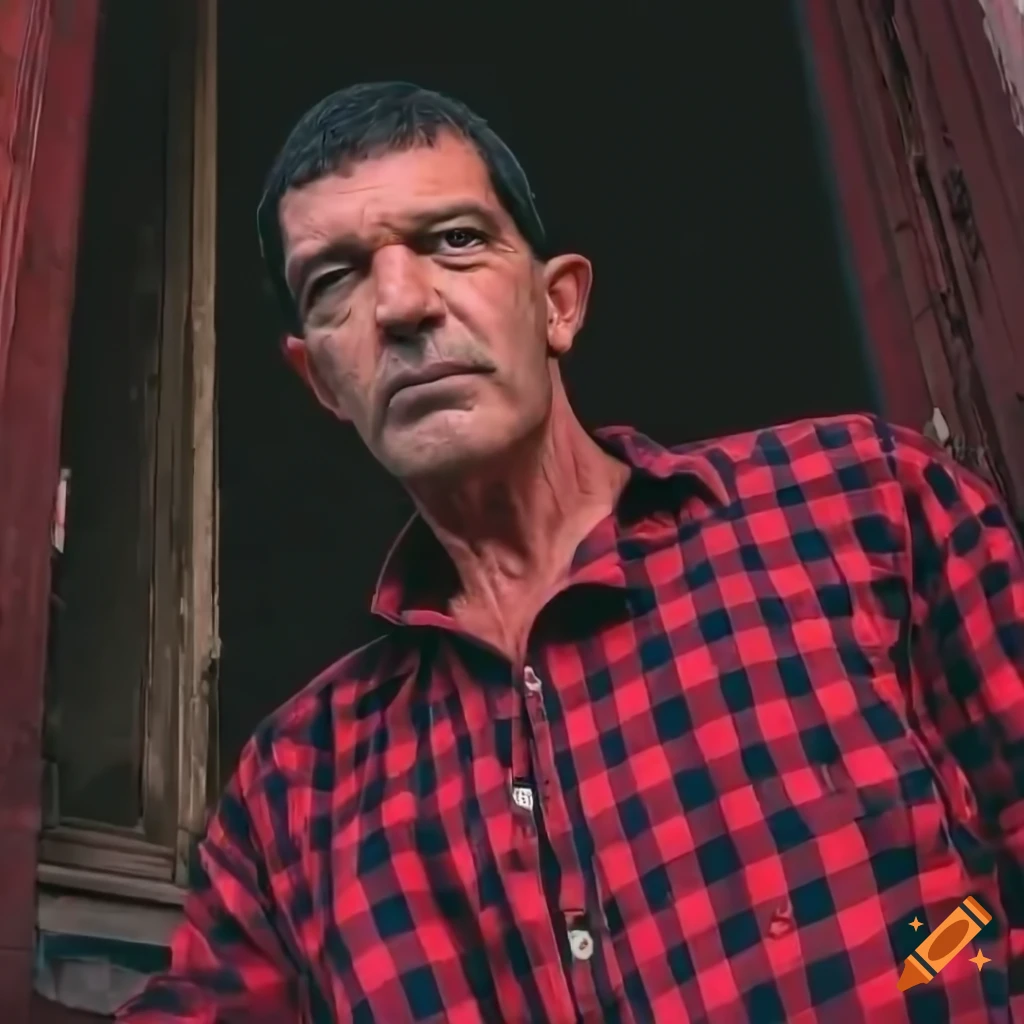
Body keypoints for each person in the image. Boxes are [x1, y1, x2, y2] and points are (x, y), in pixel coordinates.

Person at [118, 81, 1024, 1023]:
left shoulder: (861, 510)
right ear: (321, 382)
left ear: (558, 305)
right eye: (334, 281)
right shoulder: (295, 791)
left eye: (454, 240)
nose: (401, 305)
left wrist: (933, 968)